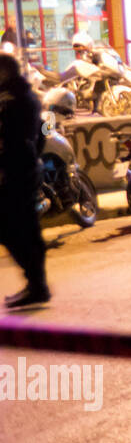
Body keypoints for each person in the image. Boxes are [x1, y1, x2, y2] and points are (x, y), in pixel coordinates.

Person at [0, 51, 50, 308]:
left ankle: (37, 284)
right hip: (23, 168)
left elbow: (14, 137)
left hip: (16, 172)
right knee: (24, 228)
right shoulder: (25, 96)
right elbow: (42, 132)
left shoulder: (14, 99)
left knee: (19, 229)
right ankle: (37, 283)